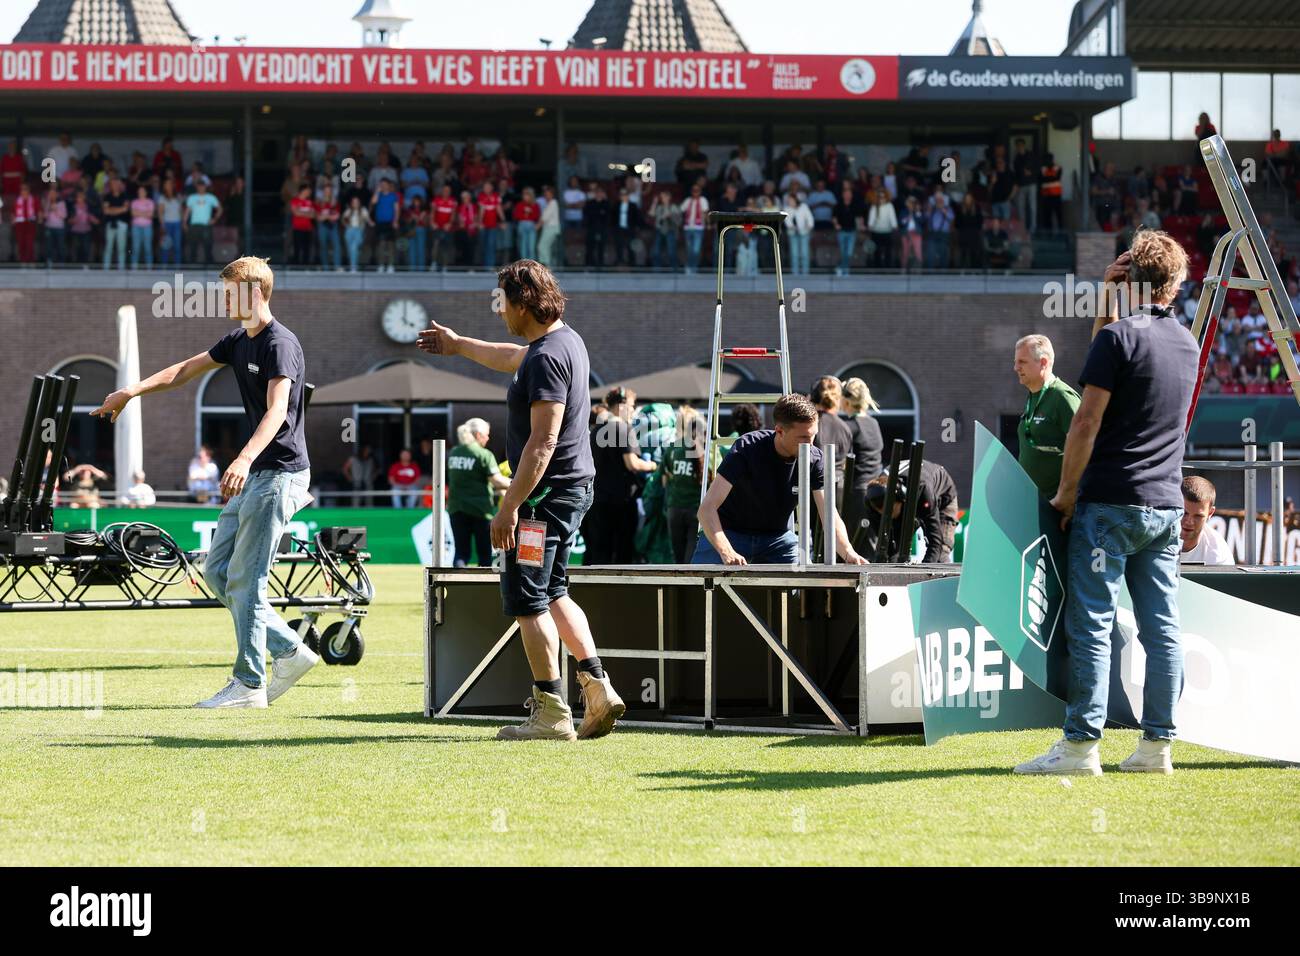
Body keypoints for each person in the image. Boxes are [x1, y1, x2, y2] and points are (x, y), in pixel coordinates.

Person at [91, 256, 317, 708]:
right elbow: (183, 371)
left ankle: (250, 685)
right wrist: (131, 391)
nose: (222, 299)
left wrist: (243, 457)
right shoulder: (238, 340)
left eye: (229, 290)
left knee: (247, 581)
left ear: (253, 292)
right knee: (217, 572)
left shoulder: (280, 343)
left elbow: (277, 411)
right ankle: (289, 651)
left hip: (279, 474)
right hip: (257, 475)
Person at [417, 259, 626, 741]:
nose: (501, 314)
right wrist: (457, 345)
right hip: (567, 492)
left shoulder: (547, 357)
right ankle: (598, 688)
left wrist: (509, 507)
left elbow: (543, 442)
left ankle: (552, 714)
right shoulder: (560, 343)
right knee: (554, 591)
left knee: (528, 600)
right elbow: (509, 357)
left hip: (542, 501)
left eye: (503, 304)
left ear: (523, 304)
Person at [1016, 232, 1200, 776]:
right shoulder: (1186, 343)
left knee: (1091, 624)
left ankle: (1078, 750)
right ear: (1176, 282)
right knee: (1162, 627)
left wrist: (1066, 493)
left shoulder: (1119, 337)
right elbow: (1110, 362)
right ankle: (1156, 749)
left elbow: (1087, 420)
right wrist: (1106, 301)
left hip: (1110, 504)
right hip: (1165, 506)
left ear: (1131, 278)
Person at [693, 393, 868, 565]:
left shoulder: (815, 459)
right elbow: (706, 509)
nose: (810, 443)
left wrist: (848, 552)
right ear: (779, 431)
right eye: (803, 438)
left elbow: (829, 515)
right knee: (700, 587)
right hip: (730, 532)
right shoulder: (747, 448)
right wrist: (727, 551)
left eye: (812, 435)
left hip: (777, 539)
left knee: (807, 579)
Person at [585, 386, 656, 565]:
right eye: (632, 406)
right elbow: (632, 463)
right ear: (621, 405)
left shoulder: (596, 430)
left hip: (597, 500)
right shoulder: (623, 428)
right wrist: (653, 465)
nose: (633, 410)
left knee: (599, 552)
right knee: (623, 552)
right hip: (621, 502)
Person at [1014, 334, 1081, 498]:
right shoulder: (1033, 396)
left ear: (1043, 362)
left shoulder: (1063, 397)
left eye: (1022, 362)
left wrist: (1067, 499)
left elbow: (1085, 450)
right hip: (1032, 504)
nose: (1016, 367)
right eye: (1015, 362)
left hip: (1057, 507)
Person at [864, 460, 960, 563]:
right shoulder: (872, 500)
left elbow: (935, 543)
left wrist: (924, 573)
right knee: (894, 553)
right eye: (881, 513)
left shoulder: (923, 490)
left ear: (900, 499)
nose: (888, 515)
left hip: (943, 500)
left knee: (941, 554)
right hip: (910, 500)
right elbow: (887, 546)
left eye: (890, 511)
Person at [447, 418, 511, 567]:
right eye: (486, 435)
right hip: (480, 510)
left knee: (461, 553)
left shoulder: (454, 453)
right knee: (484, 554)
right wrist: (517, 484)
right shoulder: (484, 454)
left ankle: (457, 587)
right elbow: (497, 481)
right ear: (478, 434)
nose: (488, 438)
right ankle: (484, 589)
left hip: (456, 508)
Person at [839, 377, 883, 551]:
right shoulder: (874, 423)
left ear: (846, 400)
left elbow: (841, 459)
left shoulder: (849, 426)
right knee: (871, 541)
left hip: (856, 492)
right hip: (876, 489)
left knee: (854, 544)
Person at [661, 405, 705, 563]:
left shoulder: (672, 449)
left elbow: (665, 480)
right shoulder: (707, 451)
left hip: (675, 509)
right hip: (696, 511)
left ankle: (677, 589)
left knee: (678, 561)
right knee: (691, 561)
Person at [1179, 476, 1233, 566]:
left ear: (1210, 513)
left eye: (1198, 516)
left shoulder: (1219, 552)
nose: (1189, 522)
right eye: (1184, 513)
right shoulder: (1154, 538)